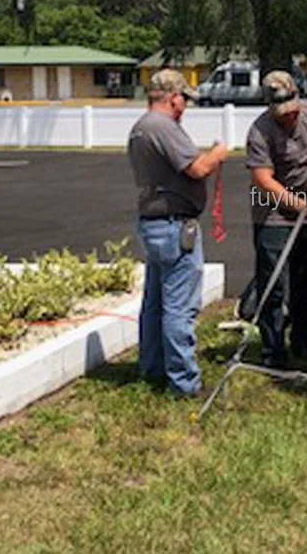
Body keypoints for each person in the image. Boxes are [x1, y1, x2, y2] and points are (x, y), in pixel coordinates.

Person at [127, 69, 228, 396]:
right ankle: (184, 382)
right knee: (179, 307)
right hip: (174, 227)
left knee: (155, 302)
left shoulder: (141, 128)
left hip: (154, 223)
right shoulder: (164, 128)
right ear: (173, 98)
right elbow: (196, 168)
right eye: (183, 99)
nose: (185, 106)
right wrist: (217, 154)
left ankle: (153, 367)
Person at [246, 69, 307, 368]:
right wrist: (301, 206)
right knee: (273, 285)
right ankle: (273, 350)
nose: (289, 117)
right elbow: (263, 180)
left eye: (292, 111)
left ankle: (305, 340)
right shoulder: (260, 131)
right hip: (274, 217)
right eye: (281, 113)